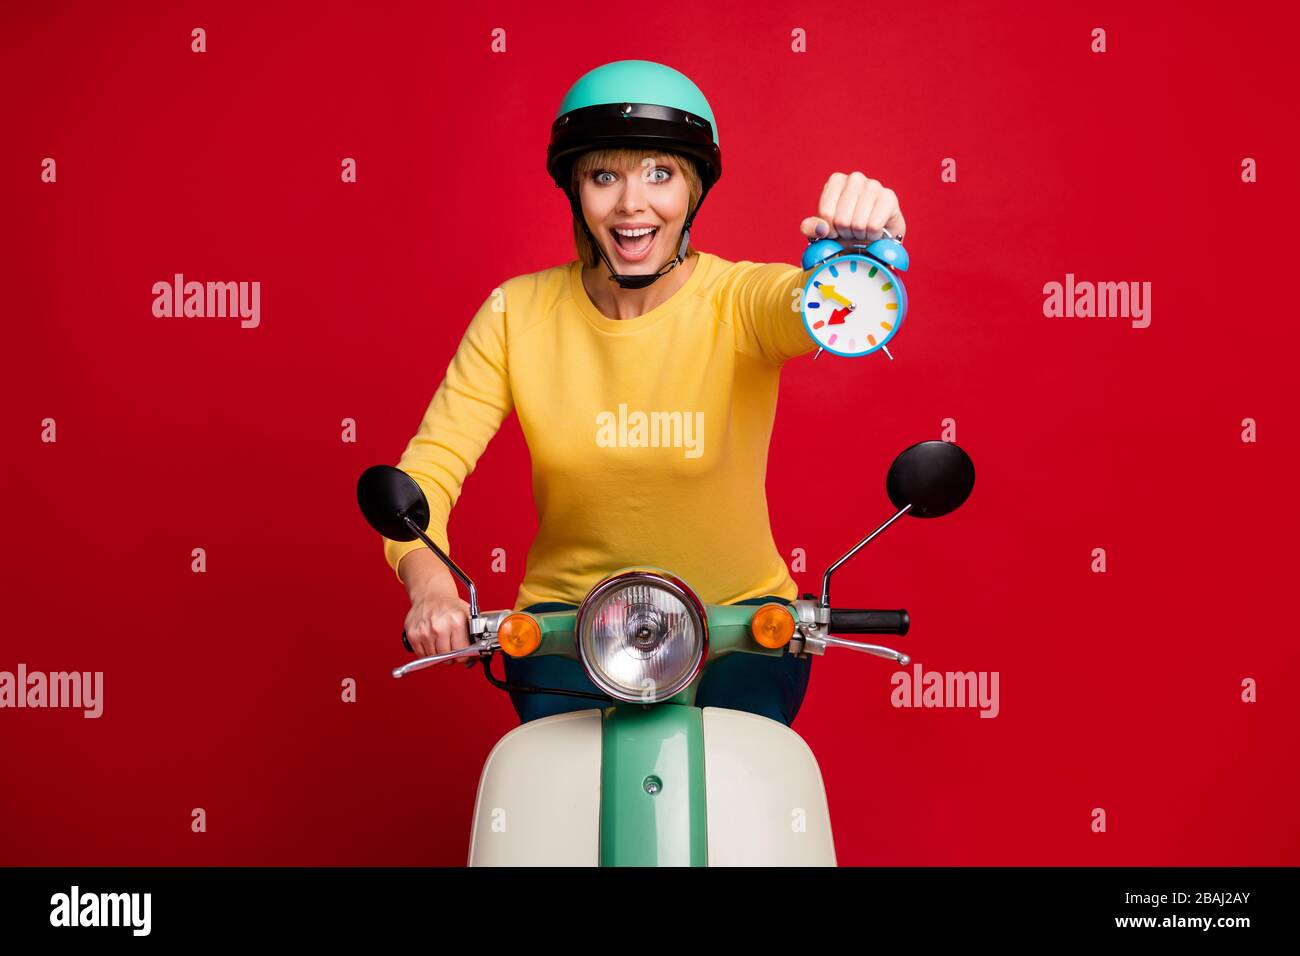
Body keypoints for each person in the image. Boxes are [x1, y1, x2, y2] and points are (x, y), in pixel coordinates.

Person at [381, 59, 906, 726]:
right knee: (556, 812)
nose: (633, 204)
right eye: (605, 176)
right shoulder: (516, 314)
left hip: (739, 629)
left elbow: (818, 305)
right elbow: (428, 471)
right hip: (566, 632)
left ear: (693, 192)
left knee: (745, 808)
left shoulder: (741, 300)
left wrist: (860, 251)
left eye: (660, 174)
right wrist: (432, 590)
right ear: (576, 189)